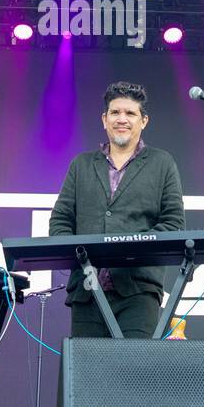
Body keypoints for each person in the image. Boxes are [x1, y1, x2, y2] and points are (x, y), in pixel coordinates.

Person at [48, 82, 185, 338]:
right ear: (104, 119)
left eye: (130, 113)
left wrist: (129, 254)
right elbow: (60, 220)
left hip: (139, 292)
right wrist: (81, 257)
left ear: (144, 121)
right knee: (86, 376)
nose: (122, 119)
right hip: (86, 291)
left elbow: (173, 223)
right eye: (115, 112)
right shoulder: (81, 164)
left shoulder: (162, 163)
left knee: (134, 375)